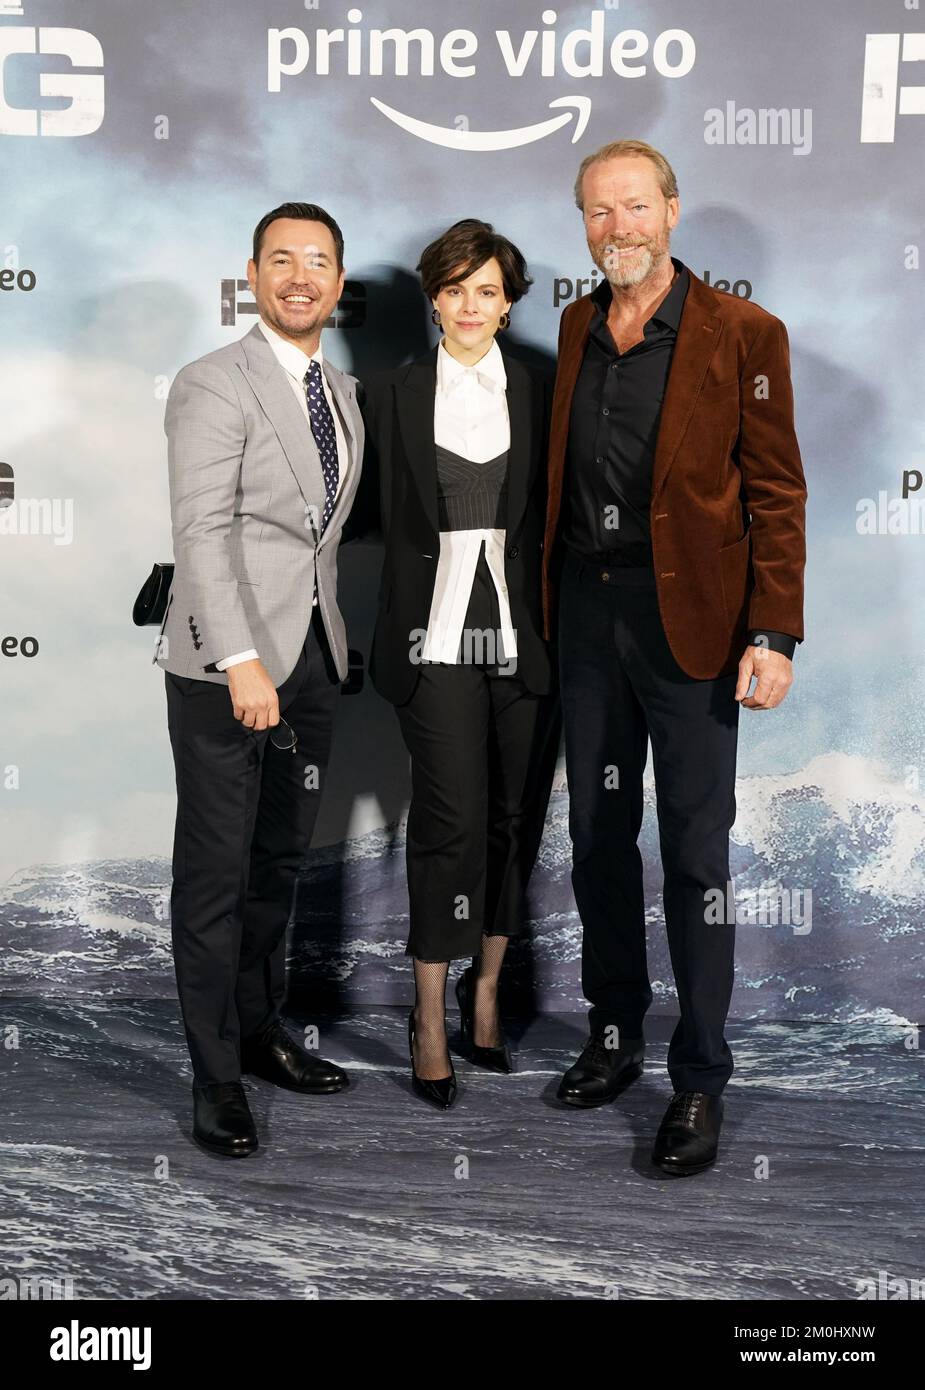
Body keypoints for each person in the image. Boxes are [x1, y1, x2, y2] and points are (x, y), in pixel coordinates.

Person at [543, 141, 807, 1175]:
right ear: (584, 226)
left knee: (696, 855)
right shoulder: (574, 328)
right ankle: (613, 1033)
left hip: (691, 628)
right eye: (598, 213)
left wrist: (773, 630)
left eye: (634, 207)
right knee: (599, 840)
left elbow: (775, 493)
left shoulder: (745, 333)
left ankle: (698, 1080)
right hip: (587, 620)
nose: (619, 228)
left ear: (672, 211)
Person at [156, 202, 364, 1157]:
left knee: (276, 865)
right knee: (213, 875)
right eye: (281, 260)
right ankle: (214, 1080)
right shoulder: (213, 382)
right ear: (252, 273)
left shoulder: (342, 392)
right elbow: (200, 534)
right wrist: (241, 659)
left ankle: (258, 1031)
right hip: (227, 668)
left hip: (314, 660)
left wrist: (309, 656)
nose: (299, 277)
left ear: (336, 280)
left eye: (317, 262)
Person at [360, 219, 561, 1108]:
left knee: (511, 820)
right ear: (431, 299)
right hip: (430, 634)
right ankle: (429, 1015)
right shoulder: (393, 392)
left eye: (486, 290)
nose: (469, 306)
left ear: (509, 300)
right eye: (452, 289)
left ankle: (486, 996)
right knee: (449, 819)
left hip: (524, 637)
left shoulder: (544, 388)